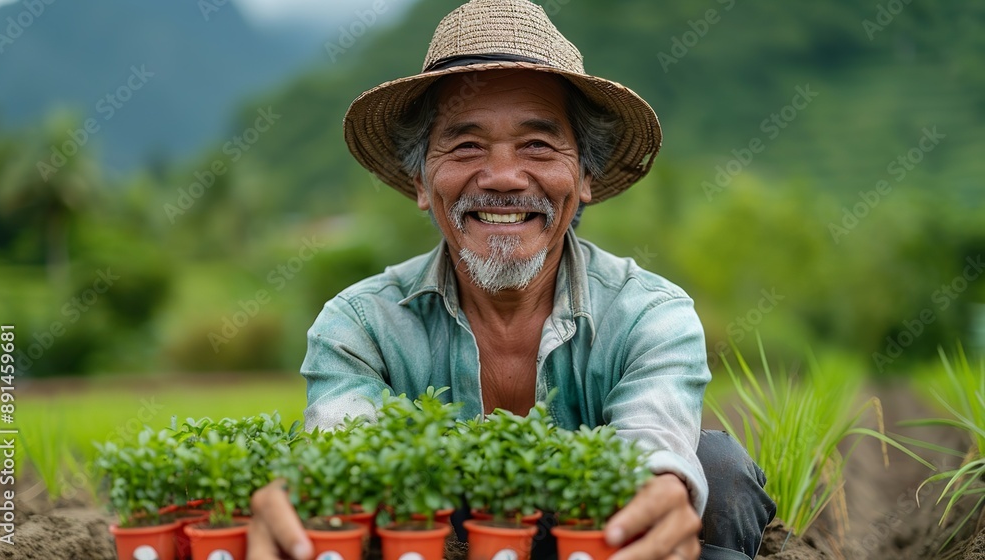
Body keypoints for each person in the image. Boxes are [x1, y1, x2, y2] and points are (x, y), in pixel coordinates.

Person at [248, 1, 775, 559]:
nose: (502, 177)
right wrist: (314, 488)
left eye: (538, 146)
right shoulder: (359, 327)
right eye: (467, 145)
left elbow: (655, 440)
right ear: (422, 181)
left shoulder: (649, 314)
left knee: (717, 472)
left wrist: (661, 488)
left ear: (585, 177)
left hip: (601, 543)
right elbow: (341, 448)